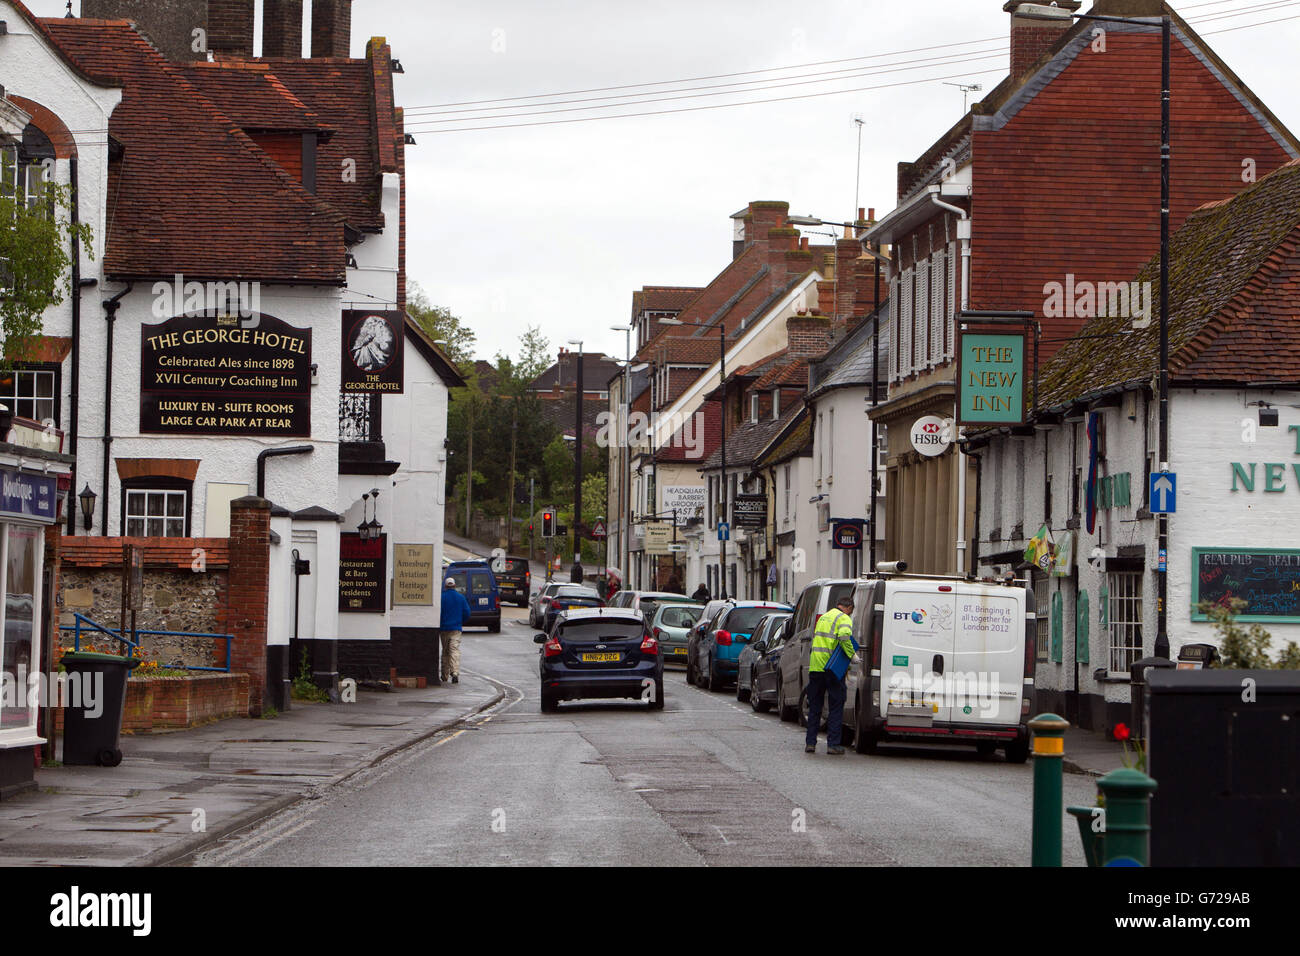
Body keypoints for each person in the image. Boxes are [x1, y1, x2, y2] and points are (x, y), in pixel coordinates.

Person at [804, 595, 857, 755]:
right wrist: (852, 655)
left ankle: (810, 743)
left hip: (815, 667)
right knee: (836, 705)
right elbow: (844, 638)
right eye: (851, 612)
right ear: (849, 608)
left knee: (815, 707)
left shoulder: (824, 617)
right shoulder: (844, 619)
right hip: (833, 669)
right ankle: (833, 744)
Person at [439, 576, 472, 684]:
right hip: (456, 629)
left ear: (445, 586)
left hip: (444, 628)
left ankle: (444, 675)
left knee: (445, 652)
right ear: (454, 586)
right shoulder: (460, 598)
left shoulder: (441, 597)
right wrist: (460, 621)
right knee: (454, 650)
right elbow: (467, 613)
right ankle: (455, 673)